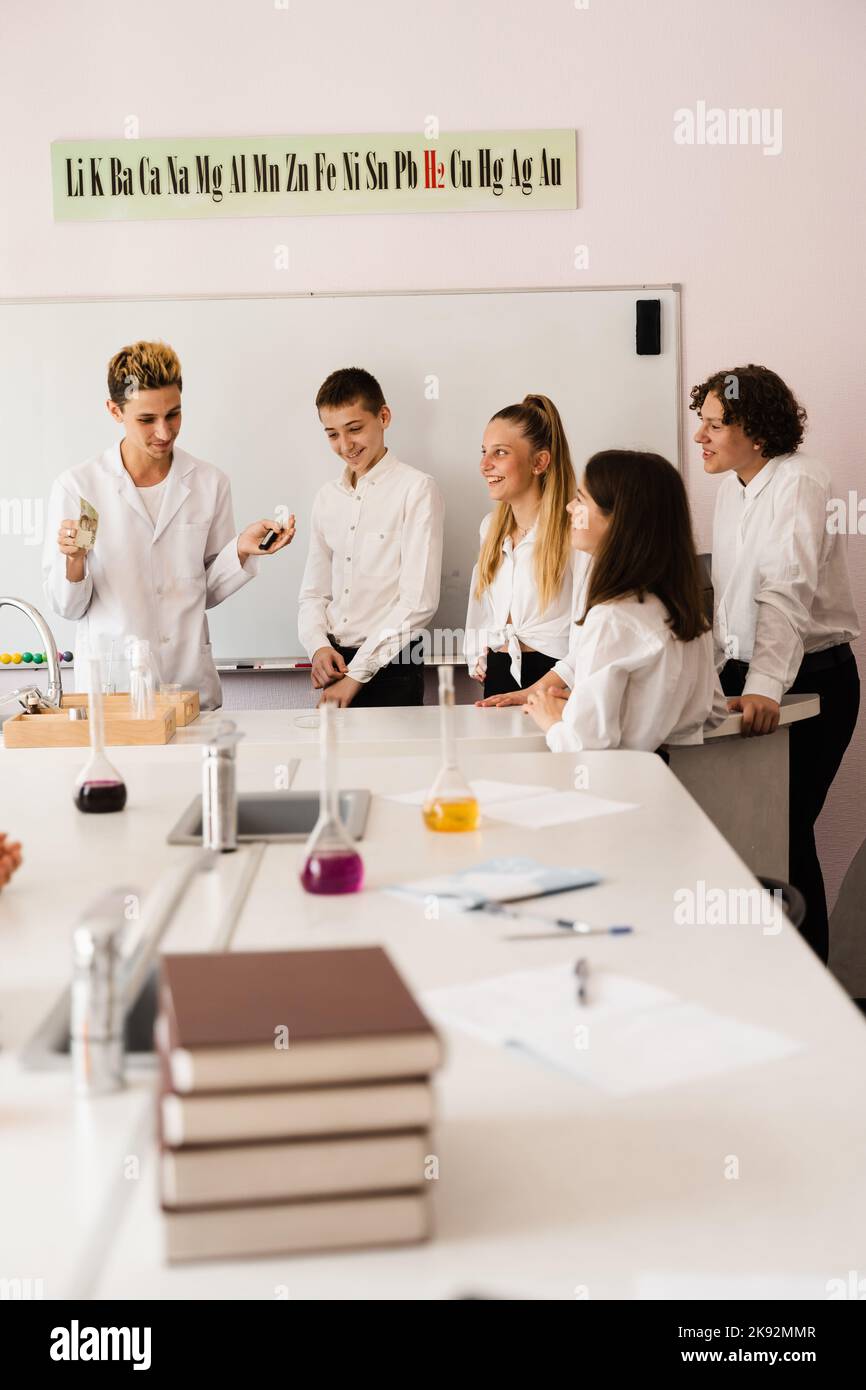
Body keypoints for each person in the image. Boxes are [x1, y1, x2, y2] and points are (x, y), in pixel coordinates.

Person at [691, 364, 860, 962]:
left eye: (715, 425)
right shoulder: (732, 487)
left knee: (785, 833)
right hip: (749, 679)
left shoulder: (799, 480)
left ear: (757, 433)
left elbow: (784, 590)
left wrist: (764, 685)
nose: (700, 437)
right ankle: (760, 971)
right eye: (701, 423)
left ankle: (808, 981)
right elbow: (728, 598)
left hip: (812, 679)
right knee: (752, 832)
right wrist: (711, 682)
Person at [43, 341, 294, 710]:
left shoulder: (210, 483)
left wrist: (239, 548)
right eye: (146, 420)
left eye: (173, 414)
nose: (164, 432)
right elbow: (68, 608)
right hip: (114, 692)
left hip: (188, 682)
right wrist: (75, 561)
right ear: (115, 411)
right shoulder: (79, 487)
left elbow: (203, 592)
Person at [521, 450, 726, 751]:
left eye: (581, 499)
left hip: (616, 788)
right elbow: (711, 712)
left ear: (617, 519)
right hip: (663, 781)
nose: (568, 507)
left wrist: (552, 719)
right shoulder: (689, 616)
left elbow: (586, 747)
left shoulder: (612, 618)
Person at [298, 367, 444, 708]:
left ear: (384, 417)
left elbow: (418, 601)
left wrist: (357, 675)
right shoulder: (326, 498)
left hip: (394, 667)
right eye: (332, 434)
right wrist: (318, 646)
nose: (345, 445)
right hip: (336, 664)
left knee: (392, 761)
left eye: (355, 429)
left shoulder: (416, 489)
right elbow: (313, 593)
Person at [464, 394, 578, 698]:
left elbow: (592, 633)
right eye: (484, 452)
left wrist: (536, 691)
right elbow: (482, 606)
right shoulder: (491, 528)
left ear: (539, 462)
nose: (484, 465)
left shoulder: (575, 531)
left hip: (554, 682)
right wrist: (478, 652)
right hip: (500, 672)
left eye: (499, 453)